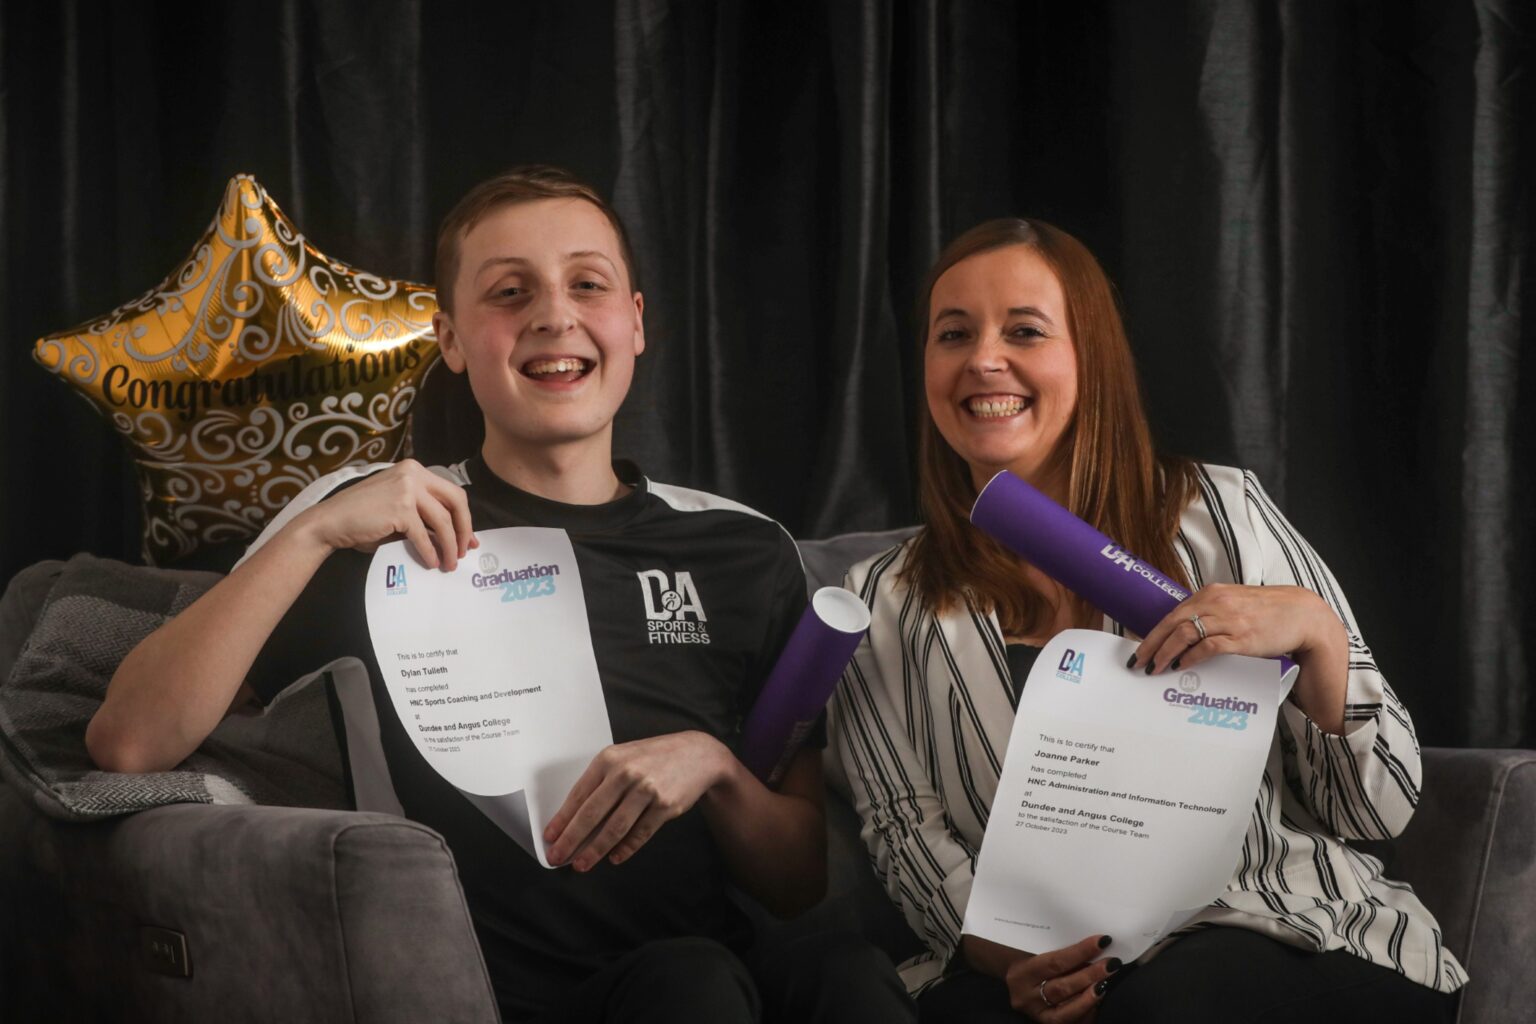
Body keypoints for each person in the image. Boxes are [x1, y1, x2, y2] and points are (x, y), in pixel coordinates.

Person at [86, 166, 914, 1024]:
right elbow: (129, 741)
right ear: (448, 339)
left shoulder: (744, 548)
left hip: (717, 981)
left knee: (845, 976)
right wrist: (316, 530)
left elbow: (795, 882)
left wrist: (713, 764)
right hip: (501, 996)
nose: (554, 315)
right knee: (688, 982)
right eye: (510, 292)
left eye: (586, 284)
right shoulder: (379, 522)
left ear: (634, 323)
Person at [830, 217, 1467, 1023]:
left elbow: (1375, 807)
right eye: (952, 333)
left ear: (1090, 357)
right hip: (1043, 968)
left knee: (1173, 1002)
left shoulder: (1222, 515)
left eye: (1024, 330)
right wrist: (1015, 959)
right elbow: (905, 832)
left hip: (1273, 930)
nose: (983, 358)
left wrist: (1314, 633)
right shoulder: (883, 598)